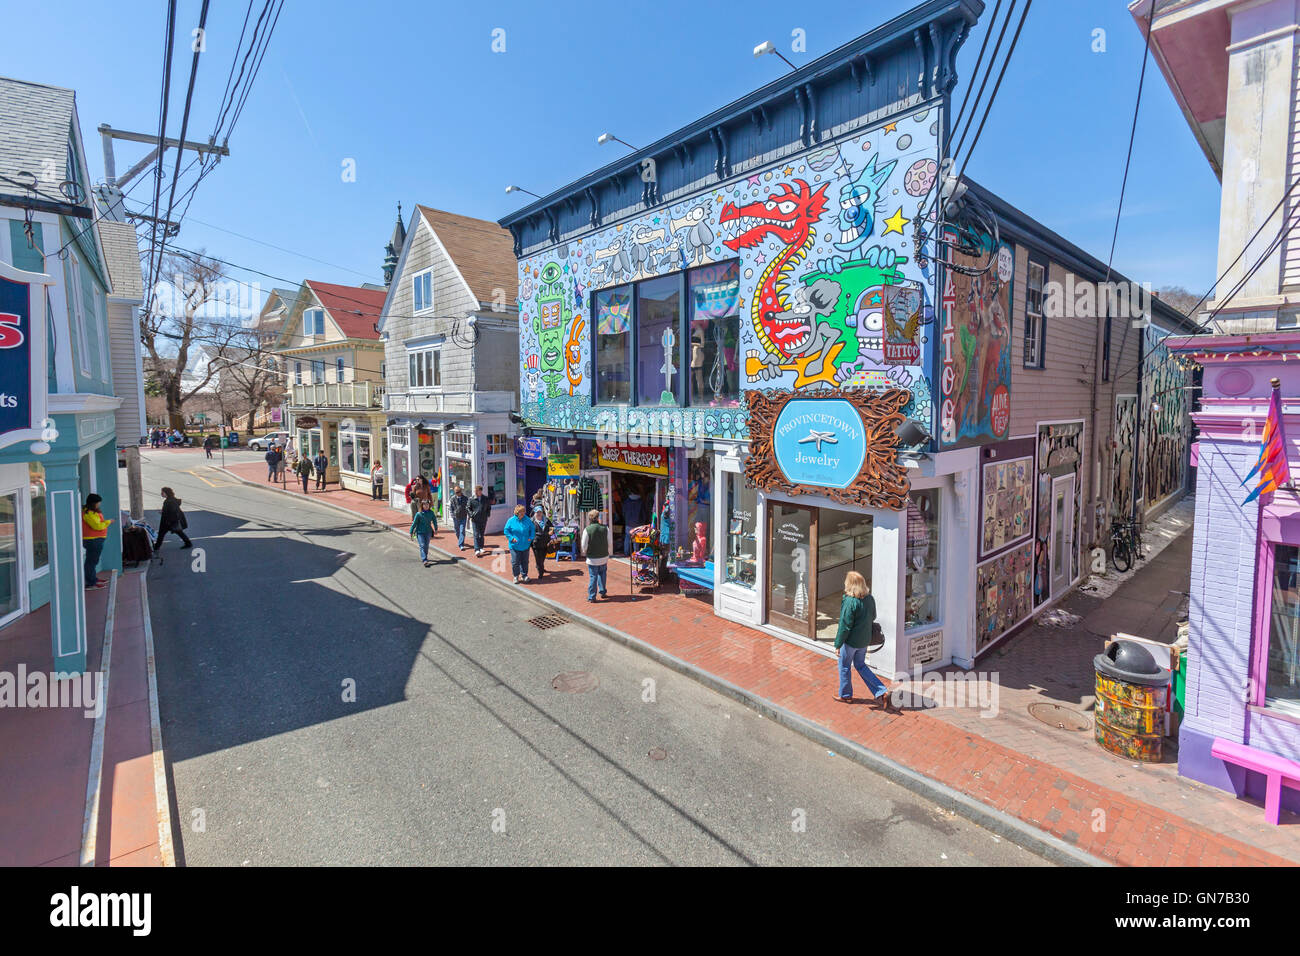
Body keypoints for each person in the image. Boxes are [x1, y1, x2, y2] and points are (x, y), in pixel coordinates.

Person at [833, 571, 891, 709]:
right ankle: (881, 691)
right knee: (860, 665)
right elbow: (873, 616)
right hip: (864, 640)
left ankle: (846, 695)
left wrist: (838, 644)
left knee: (844, 666)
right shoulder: (869, 598)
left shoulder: (850, 602)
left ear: (850, 584)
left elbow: (844, 626)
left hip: (851, 642)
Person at [81, 493, 112, 590]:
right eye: (98, 503)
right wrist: (109, 522)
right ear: (93, 503)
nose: (99, 504)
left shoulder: (91, 511)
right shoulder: (89, 513)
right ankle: (91, 583)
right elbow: (97, 526)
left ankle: (93, 579)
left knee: (93, 560)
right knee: (91, 561)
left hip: (95, 540)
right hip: (93, 540)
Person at [581, 509, 609, 602]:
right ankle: (603, 591)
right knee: (603, 574)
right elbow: (609, 542)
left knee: (593, 576)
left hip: (592, 558)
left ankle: (592, 596)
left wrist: (585, 551)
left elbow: (583, 545)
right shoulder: (605, 528)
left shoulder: (587, 529)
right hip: (604, 556)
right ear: (598, 518)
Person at [504, 504, 535, 584]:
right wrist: (511, 538)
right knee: (515, 562)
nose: (523, 513)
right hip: (515, 546)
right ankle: (516, 576)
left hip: (525, 545)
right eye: (521, 512)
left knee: (525, 561)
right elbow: (506, 530)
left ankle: (524, 575)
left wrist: (531, 538)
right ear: (517, 512)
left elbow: (532, 529)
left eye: (524, 512)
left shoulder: (527, 520)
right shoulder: (511, 520)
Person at [410, 500, 438, 567]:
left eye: (427, 505)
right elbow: (414, 523)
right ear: (422, 506)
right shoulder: (418, 514)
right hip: (420, 532)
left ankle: (425, 555)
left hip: (428, 532)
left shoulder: (431, 513)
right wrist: (411, 532)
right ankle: (424, 560)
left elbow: (434, 521)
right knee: (422, 545)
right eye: (424, 505)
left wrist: (436, 528)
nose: (426, 506)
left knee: (426, 545)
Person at [530, 505, 554, 580]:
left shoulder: (546, 520)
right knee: (538, 558)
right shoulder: (531, 521)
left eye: (540, 512)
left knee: (543, 557)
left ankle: (540, 566)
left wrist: (551, 532)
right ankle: (540, 573)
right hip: (535, 543)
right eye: (537, 512)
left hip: (545, 542)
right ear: (535, 513)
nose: (539, 514)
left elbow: (551, 527)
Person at [469, 484, 491, 556]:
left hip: (483, 518)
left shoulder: (485, 498)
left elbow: (488, 507)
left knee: (481, 534)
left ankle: (481, 547)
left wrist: (487, 514)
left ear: (480, 491)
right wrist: (471, 515)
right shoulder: (472, 499)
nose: (475, 492)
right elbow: (468, 508)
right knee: (476, 534)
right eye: (475, 491)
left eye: (477, 491)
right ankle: (477, 549)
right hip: (475, 519)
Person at [622, 486, 643, 556]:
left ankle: (626, 552)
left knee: (627, 538)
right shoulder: (640, 501)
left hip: (628, 522)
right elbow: (643, 514)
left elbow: (623, 512)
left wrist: (625, 519)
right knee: (636, 540)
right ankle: (636, 553)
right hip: (638, 523)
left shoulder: (626, 501)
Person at [450, 484, 470, 551]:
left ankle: (461, 544)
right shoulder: (453, 498)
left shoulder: (465, 498)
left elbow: (468, 507)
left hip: (463, 516)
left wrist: (469, 514)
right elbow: (451, 508)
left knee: (462, 531)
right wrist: (452, 514)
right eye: (456, 492)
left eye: (458, 492)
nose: (457, 493)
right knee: (457, 531)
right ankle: (460, 540)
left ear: (461, 491)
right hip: (456, 517)